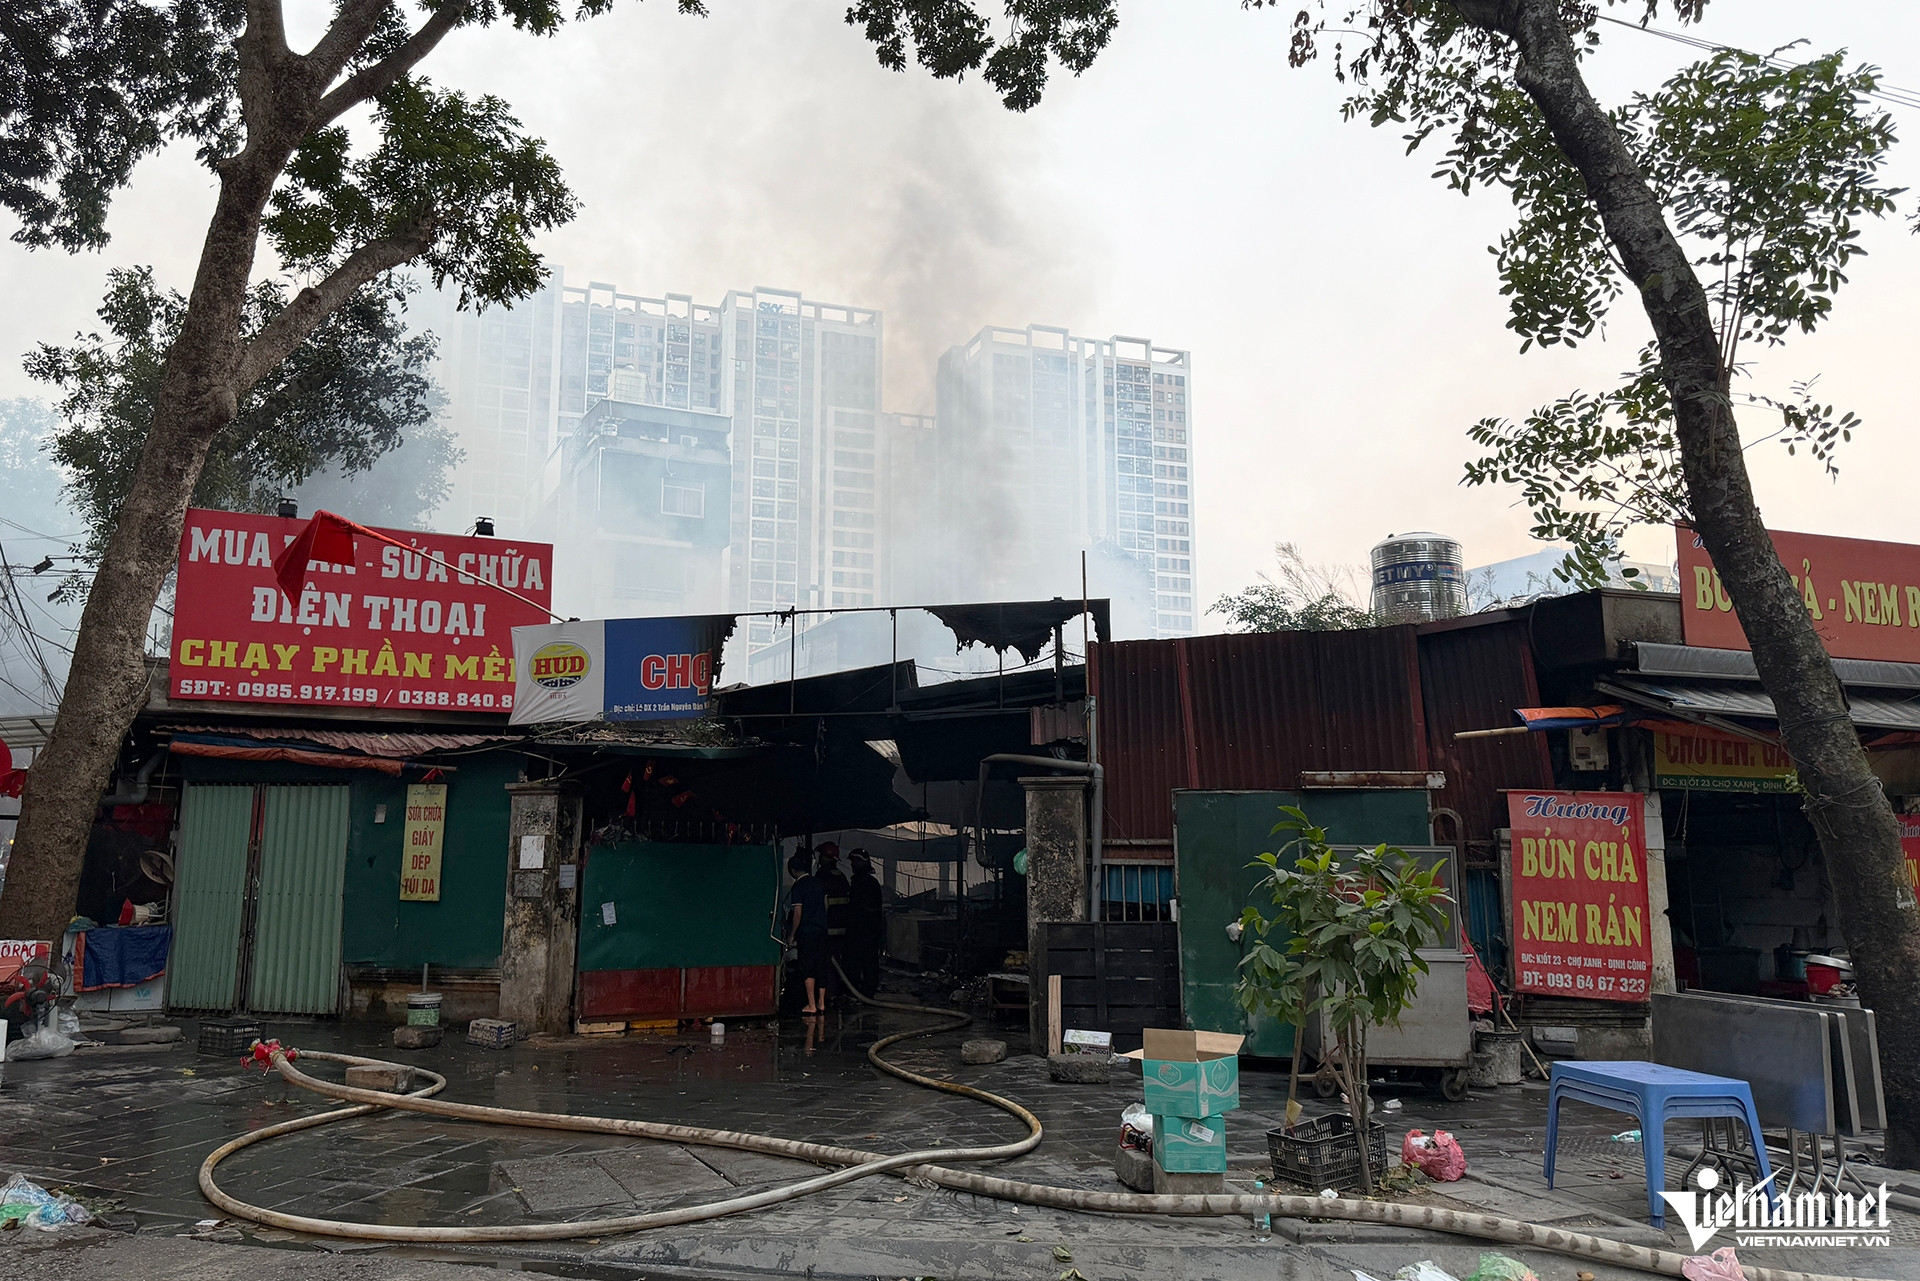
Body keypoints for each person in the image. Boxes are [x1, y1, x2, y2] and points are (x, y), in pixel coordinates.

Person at [784, 851, 829, 1014]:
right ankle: (821, 1002)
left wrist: (792, 934)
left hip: (807, 931)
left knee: (808, 966)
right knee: (821, 965)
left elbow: (797, 913)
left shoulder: (798, 886)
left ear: (792, 870)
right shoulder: (819, 883)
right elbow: (826, 906)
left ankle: (811, 1004)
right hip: (822, 931)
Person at [845, 849, 884, 997]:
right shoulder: (872, 883)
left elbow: (856, 909)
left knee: (856, 961)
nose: (852, 865)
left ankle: (856, 991)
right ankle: (867, 991)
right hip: (871, 931)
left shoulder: (860, 883)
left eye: (854, 861)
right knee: (870, 962)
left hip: (860, 931)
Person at [816, 842, 852, 992]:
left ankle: (829, 992)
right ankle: (839, 989)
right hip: (843, 927)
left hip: (827, 927)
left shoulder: (821, 875)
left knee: (826, 962)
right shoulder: (842, 876)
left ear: (824, 857)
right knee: (838, 960)